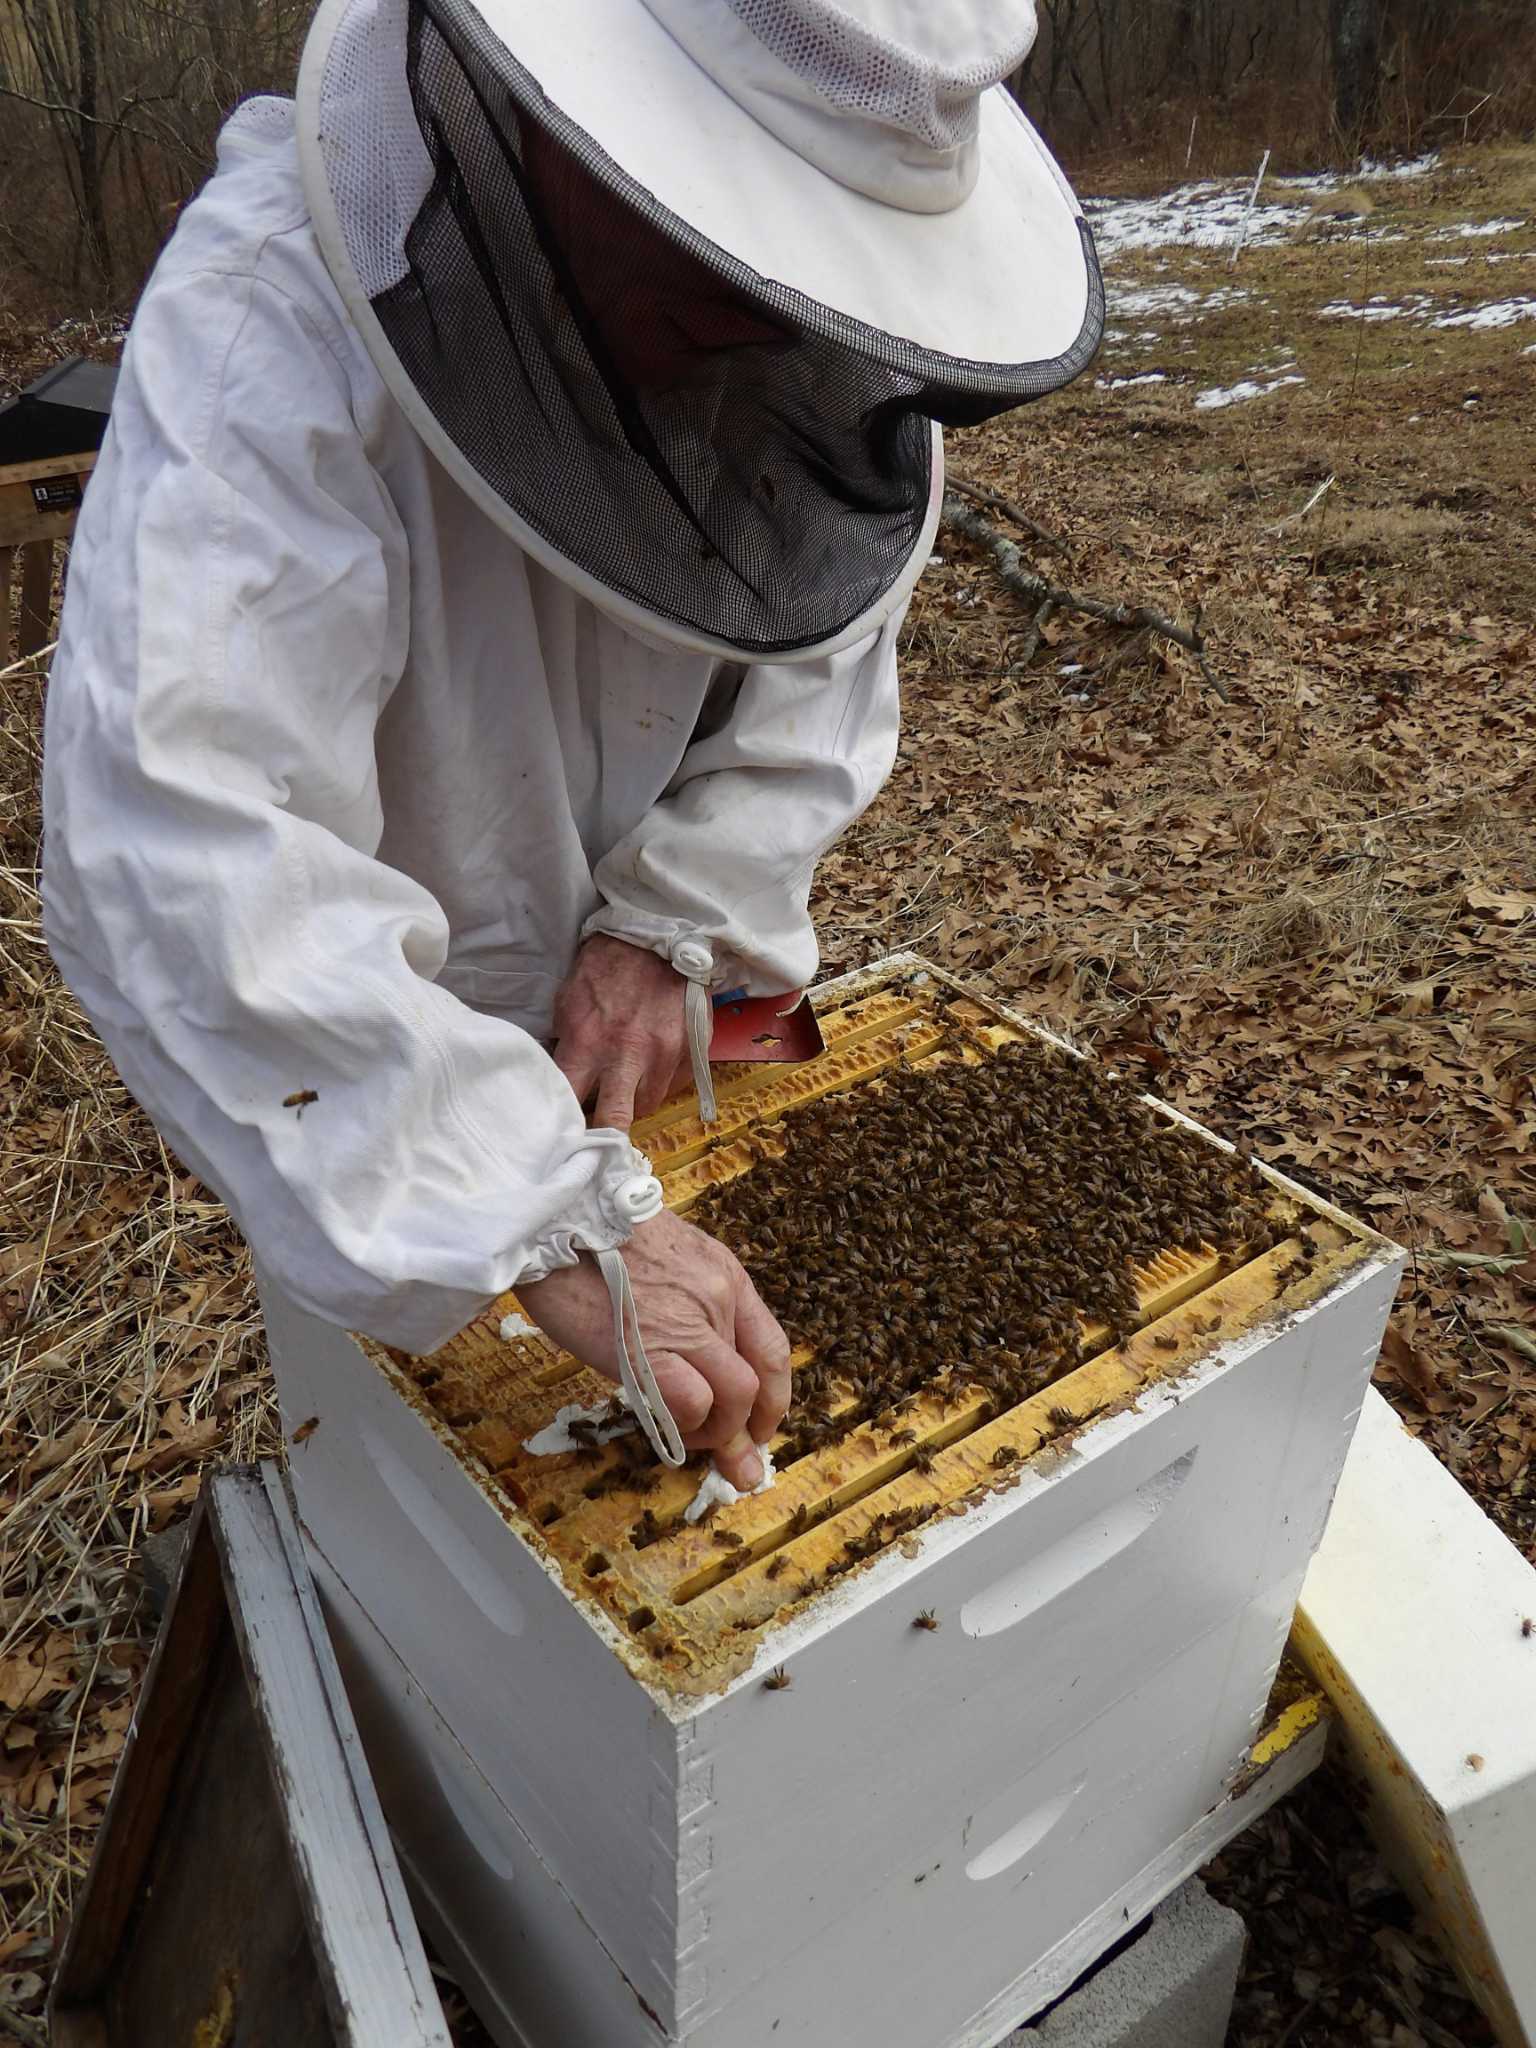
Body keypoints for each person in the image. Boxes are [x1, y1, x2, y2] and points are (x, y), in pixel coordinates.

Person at [41, 0, 1102, 1488]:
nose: (759, 322)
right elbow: (186, 824)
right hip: (366, 1078)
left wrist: (682, 912)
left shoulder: (811, 368)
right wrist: (520, 1204)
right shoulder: (271, 318)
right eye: (720, 250)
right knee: (402, 1470)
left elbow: (828, 653)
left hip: (664, 1042)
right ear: (557, 119)